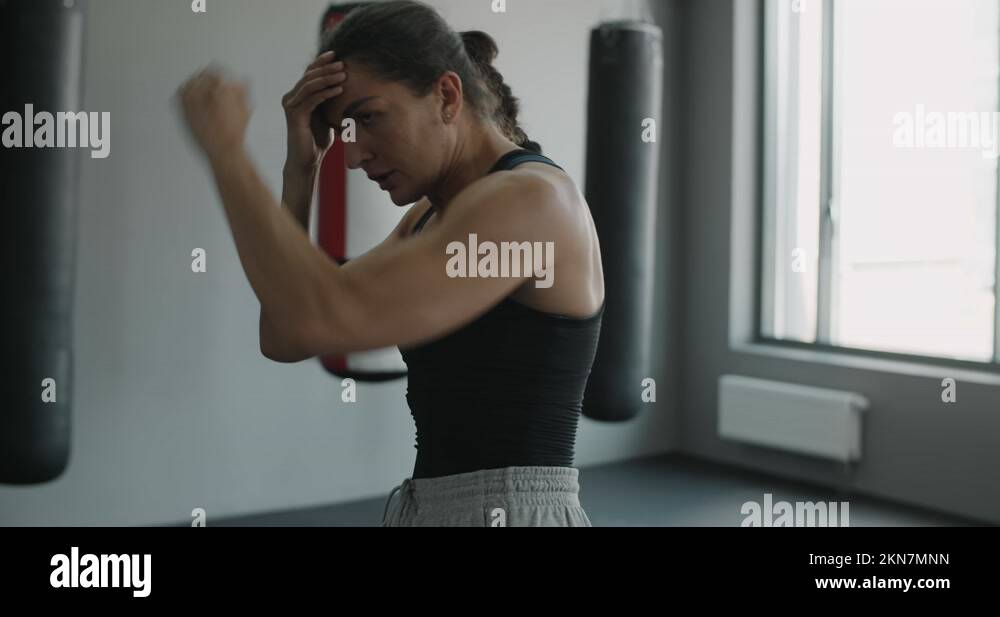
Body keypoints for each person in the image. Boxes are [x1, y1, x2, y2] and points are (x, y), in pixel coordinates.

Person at [177, 0, 604, 527]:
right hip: (431, 509)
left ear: (447, 95)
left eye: (368, 118)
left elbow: (322, 316)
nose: (354, 156)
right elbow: (286, 333)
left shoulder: (532, 202)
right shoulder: (428, 217)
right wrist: (301, 171)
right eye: (344, 132)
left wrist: (228, 156)